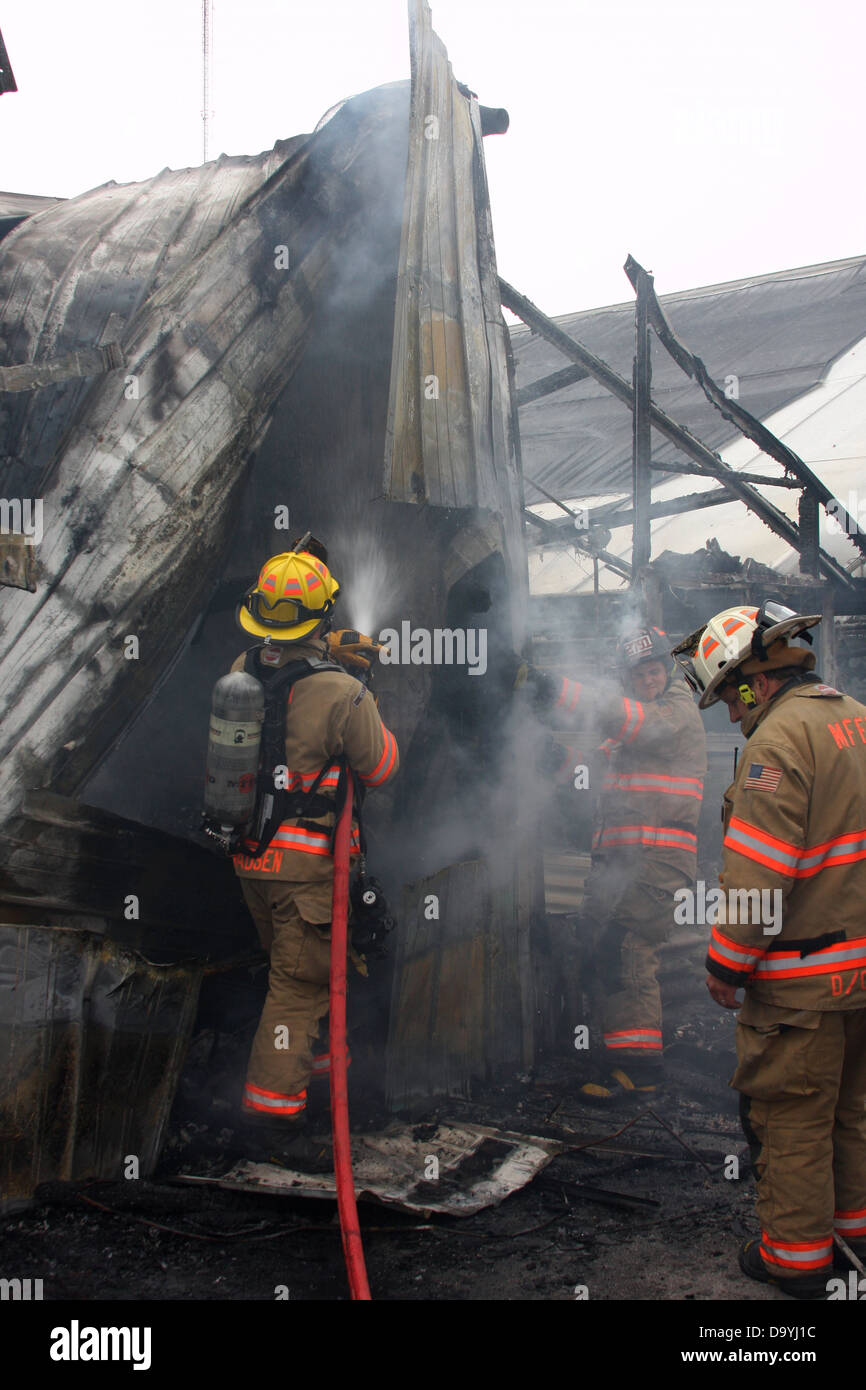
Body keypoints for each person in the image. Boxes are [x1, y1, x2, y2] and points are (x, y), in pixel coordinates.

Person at [676, 601, 866, 1299]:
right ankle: (853, 1234)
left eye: (728, 693)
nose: (729, 712)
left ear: (753, 677)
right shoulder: (855, 717)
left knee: (790, 1117)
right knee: (851, 1111)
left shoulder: (776, 744)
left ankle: (796, 1259)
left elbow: (759, 874)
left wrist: (727, 964)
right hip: (860, 975)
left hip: (803, 985)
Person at [229, 544, 399, 1161]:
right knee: (297, 992)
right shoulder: (343, 692)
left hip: (252, 859)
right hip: (307, 871)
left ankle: (326, 1085)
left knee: (306, 976)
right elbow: (379, 767)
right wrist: (363, 686)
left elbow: (287, 671)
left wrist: (331, 658)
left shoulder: (242, 667)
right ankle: (273, 1124)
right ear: (322, 615)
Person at [527, 627, 706, 1100]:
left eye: (653, 670)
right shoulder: (631, 734)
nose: (647, 678)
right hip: (620, 862)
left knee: (627, 949)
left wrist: (559, 690)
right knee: (600, 947)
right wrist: (552, 757)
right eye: (638, 673)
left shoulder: (675, 711)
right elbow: (589, 772)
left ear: (665, 671)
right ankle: (618, 1052)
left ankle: (639, 1068)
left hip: (656, 860)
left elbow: (638, 724)